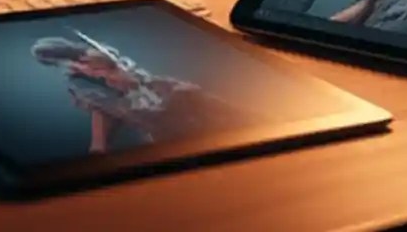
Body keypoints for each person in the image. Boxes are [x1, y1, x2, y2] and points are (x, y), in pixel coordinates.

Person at [31, 32, 253, 153]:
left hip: (187, 111)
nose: (78, 65)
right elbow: (124, 117)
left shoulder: (153, 81)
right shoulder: (88, 88)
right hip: (171, 130)